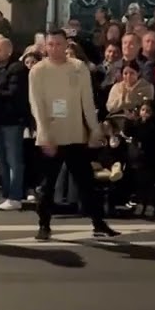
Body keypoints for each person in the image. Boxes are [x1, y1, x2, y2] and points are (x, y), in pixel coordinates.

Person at [27, 30, 120, 240]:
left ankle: (98, 222)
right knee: (47, 185)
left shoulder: (78, 68)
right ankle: (44, 225)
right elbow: (36, 104)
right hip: (50, 134)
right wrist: (44, 133)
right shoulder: (37, 71)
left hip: (75, 133)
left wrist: (94, 130)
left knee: (86, 181)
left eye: (58, 44)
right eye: (50, 44)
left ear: (65, 44)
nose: (54, 48)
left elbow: (87, 102)